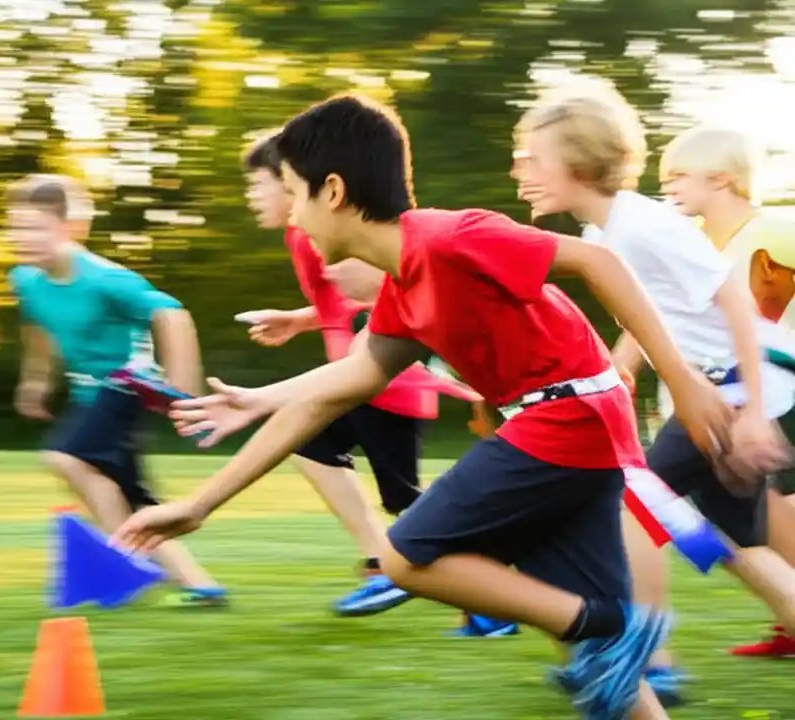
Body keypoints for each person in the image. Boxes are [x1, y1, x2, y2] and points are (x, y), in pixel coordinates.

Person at [115, 92, 736, 720]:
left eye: (297, 196)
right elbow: (344, 384)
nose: (295, 221)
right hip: (575, 426)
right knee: (612, 676)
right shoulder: (404, 289)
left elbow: (597, 260)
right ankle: (606, 634)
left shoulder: (451, 238)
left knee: (406, 558)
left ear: (333, 191)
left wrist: (679, 378)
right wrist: (209, 486)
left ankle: (605, 621)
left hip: (566, 416)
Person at [512, 80, 795, 670]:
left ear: (581, 162)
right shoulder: (603, 232)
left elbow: (738, 305)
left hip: (740, 388)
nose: (521, 169)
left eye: (534, 158)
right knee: (731, 537)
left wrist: (752, 414)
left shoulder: (646, 226)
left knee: (632, 499)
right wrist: (619, 368)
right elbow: (652, 315)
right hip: (727, 388)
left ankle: (651, 662)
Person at [238, 132, 512, 632]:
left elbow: (389, 286)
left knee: (409, 504)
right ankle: (382, 561)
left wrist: (360, 367)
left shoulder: (321, 232)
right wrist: (299, 320)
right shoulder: (303, 237)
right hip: (359, 380)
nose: (251, 196)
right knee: (311, 448)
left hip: (383, 383)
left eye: (259, 184)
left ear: (293, 184)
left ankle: (487, 597)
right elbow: (350, 298)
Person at [6, 173, 227, 608]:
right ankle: (201, 587)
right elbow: (36, 327)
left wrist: (183, 391)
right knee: (127, 496)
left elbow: (173, 315)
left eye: (35, 228)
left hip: (127, 386)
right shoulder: (26, 281)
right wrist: (36, 380)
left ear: (71, 228)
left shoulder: (106, 279)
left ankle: (123, 561)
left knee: (65, 457)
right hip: (90, 397)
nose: (23, 238)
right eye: (15, 227)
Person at [659, 123, 795, 656]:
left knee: (771, 511)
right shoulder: (698, 246)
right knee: (756, 516)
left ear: (720, 180)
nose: (666, 187)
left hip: (776, 391)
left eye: (677, 177)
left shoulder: (775, 230)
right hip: (744, 394)